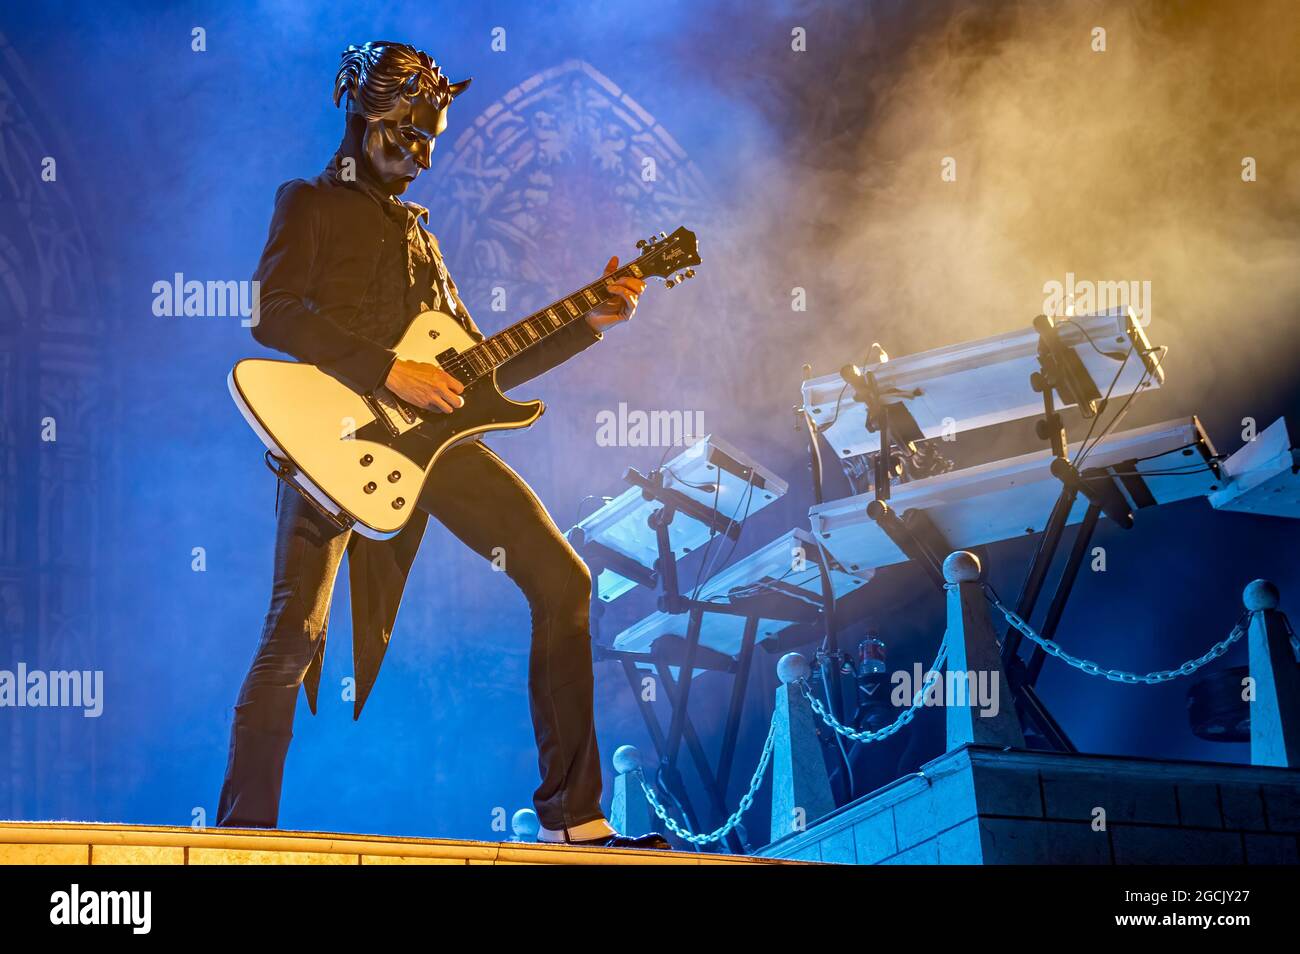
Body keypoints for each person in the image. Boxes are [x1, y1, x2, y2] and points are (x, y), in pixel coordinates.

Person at [216, 40, 668, 850]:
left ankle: (576, 818)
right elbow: (273, 314)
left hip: (438, 446)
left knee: (563, 580)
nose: (421, 156)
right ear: (360, 111)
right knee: (296, 632)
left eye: (431, 139)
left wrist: (589, 324)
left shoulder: (421, 234)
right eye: (406, 134)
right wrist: (388, 371)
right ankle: (244, 837)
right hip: (333, 436)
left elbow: (478, 370)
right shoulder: (309, 203)